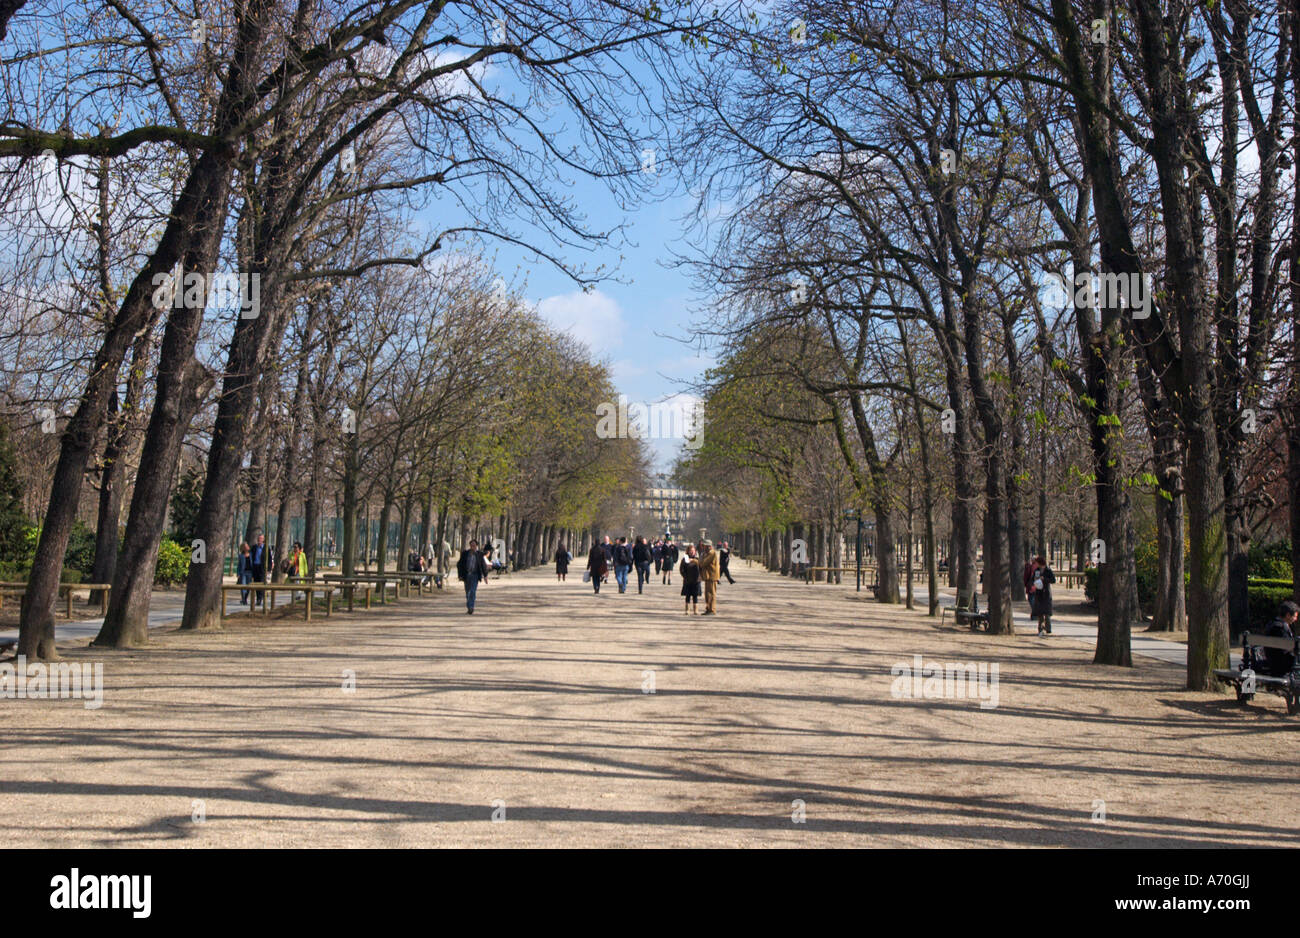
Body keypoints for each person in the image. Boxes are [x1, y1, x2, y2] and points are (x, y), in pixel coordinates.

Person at [1261, 600, 1300, 676]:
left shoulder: (1272, 623)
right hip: (1280, 666)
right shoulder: (1280, 628)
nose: (1296, 619)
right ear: (1288, 615)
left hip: (1274, 662)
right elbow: (1286, 651)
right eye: (1295, 616)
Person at [457, 539, 488, 614]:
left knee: (472, 591)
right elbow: (459, 564)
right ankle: (469, 606)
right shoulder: (465, 554)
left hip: (475, 575)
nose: (473, 547)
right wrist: (460, 575)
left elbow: (483, 565)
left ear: (476, 546)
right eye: (471, 545)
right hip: (466, 575)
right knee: (468, 592)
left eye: (474, 545)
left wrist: (485, 576)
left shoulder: (479, 554)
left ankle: (471, 607)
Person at [1028, 555, 1055, 635]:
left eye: (1037, 562)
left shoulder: (1048, 570)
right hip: (1039, 593)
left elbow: (1053, 580)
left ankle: (1048, 628)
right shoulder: (1037, 570)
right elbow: (1032, 579)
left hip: (1046, 593)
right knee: (1040, 613)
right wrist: (1034, 582)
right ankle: (1040, 629)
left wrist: (1045, 579)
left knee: (1047, 613)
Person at [698, 539, 721, 615]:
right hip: (708, 576)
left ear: (709, 546)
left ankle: (712, 609)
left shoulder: (712, 553)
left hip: (712, 576)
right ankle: (708, 608)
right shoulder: (706, 553)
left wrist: (699, 559)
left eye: (704, 546)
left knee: (711, 593)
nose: (703, 547)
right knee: (707, 593)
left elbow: (703, 563)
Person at [679, 545, 701, 614]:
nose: (692, 552)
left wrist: (699, 577)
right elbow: (681, 569)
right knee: (687, 595)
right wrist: (685, 576)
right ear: (688, 551)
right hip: (688, 580)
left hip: (696, 580)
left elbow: (701, 567)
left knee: (695, 596)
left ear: (695, 551)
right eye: (690, 551)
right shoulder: (685, 558)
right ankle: (687, 610)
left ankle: (695, 610)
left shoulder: (697, 559)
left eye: (693, 551)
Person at [249, 533, 269, 609]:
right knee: (257, 583)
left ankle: (261, 597)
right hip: (255, 567)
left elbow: (269, 559)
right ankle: (258, 598)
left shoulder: (266, 548)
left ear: (263, 540)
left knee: (262, 582)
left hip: (262, 567)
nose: (259, 540)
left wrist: (269, 569)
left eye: (261, 539)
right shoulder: (254, 548)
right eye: (258, 538)